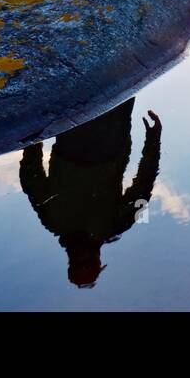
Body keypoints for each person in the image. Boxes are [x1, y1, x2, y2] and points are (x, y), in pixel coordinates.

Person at [18, 100, 162, 289]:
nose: (85, 257)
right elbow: (30, 177)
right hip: (95, 139)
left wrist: (33, 135)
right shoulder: (110, 224)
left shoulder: (57, 220)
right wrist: (152, 142)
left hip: (90, 140)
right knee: (107, 81)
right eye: (88, 262)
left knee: (108, 81)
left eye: (81, 263)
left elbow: (144, 186)